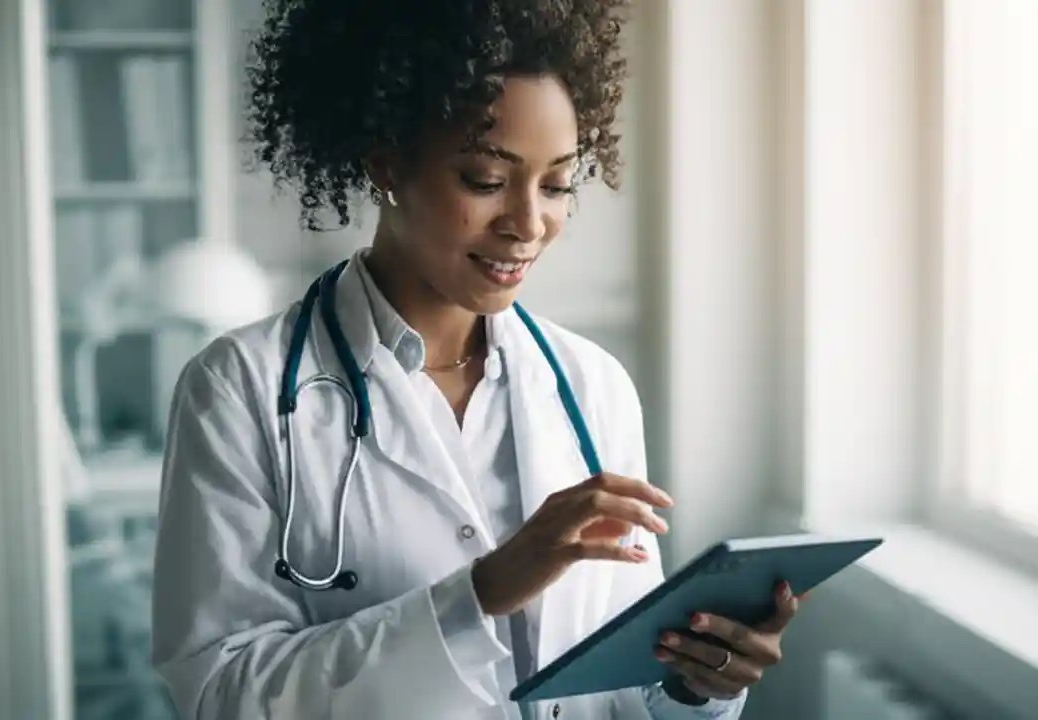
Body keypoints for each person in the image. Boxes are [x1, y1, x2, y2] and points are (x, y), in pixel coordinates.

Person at [152, 1, 803, 718]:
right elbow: (220, 695)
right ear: (387, 164)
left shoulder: (593, 388)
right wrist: (481, 592)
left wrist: (694, 683)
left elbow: (625, 692)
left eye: (556, 184)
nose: (529, 224)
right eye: (487, 181)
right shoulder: (239, 388)